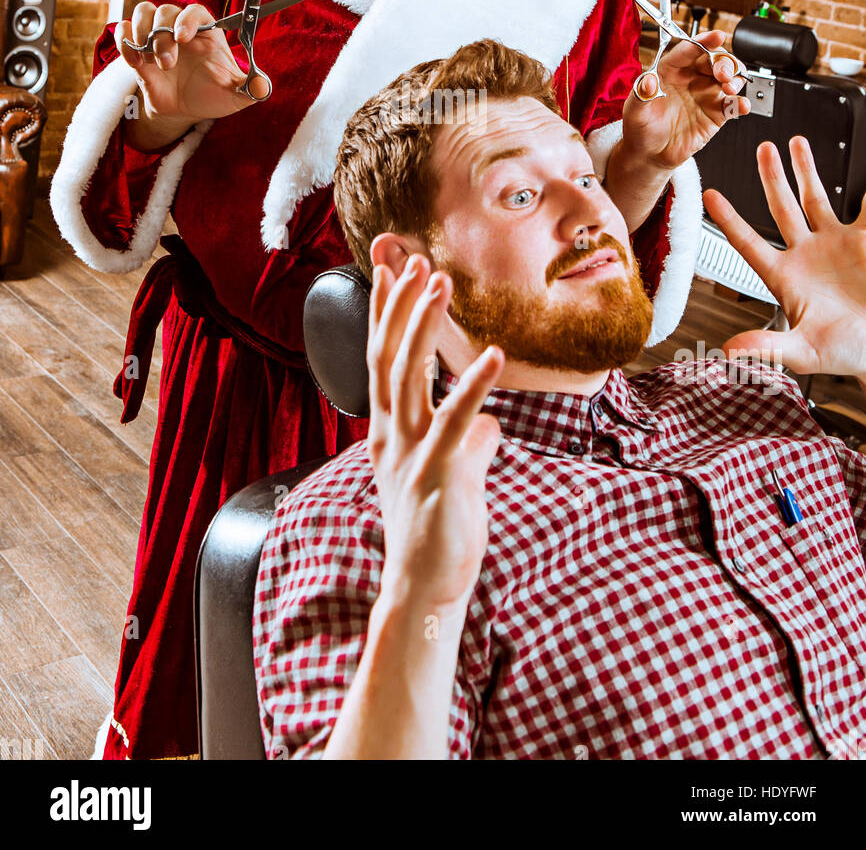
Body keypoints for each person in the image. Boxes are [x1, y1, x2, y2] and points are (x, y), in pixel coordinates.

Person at [49, 0, 745, 760]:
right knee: (198, 667)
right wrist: (161, 104)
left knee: (398, 677)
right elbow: (124, 149)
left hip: (445, 407)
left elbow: (588, 241)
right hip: (233, 376)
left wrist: (644, 158)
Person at [254, 39, 866, 761]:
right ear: (407, 264)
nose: (592, 212)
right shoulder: (368, 526)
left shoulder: (740, 397)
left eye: (585, 175)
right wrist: (425, 596)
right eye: (520, 193)